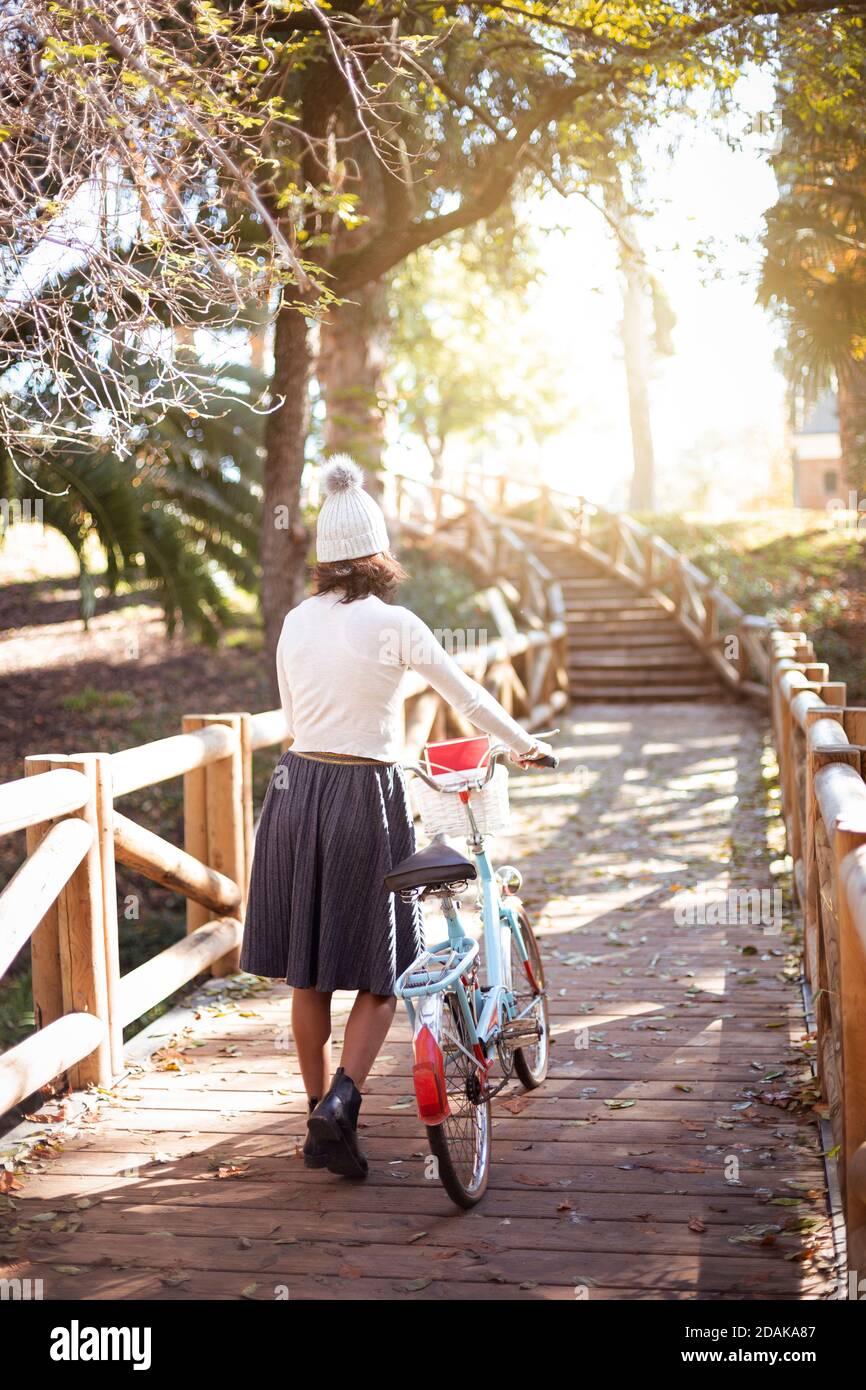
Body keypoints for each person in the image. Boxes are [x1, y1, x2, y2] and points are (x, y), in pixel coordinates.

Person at [240, 455, 553, 1179]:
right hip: (363, 796)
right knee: (386, 973)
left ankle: (320, 1117)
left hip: (293, 793)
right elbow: (468, 697)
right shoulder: (397, 622)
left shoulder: (294, 622)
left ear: (323, 560)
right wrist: (526, 746)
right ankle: (342, 1105)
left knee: (309, 977)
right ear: (378, 555)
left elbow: (295, 715)